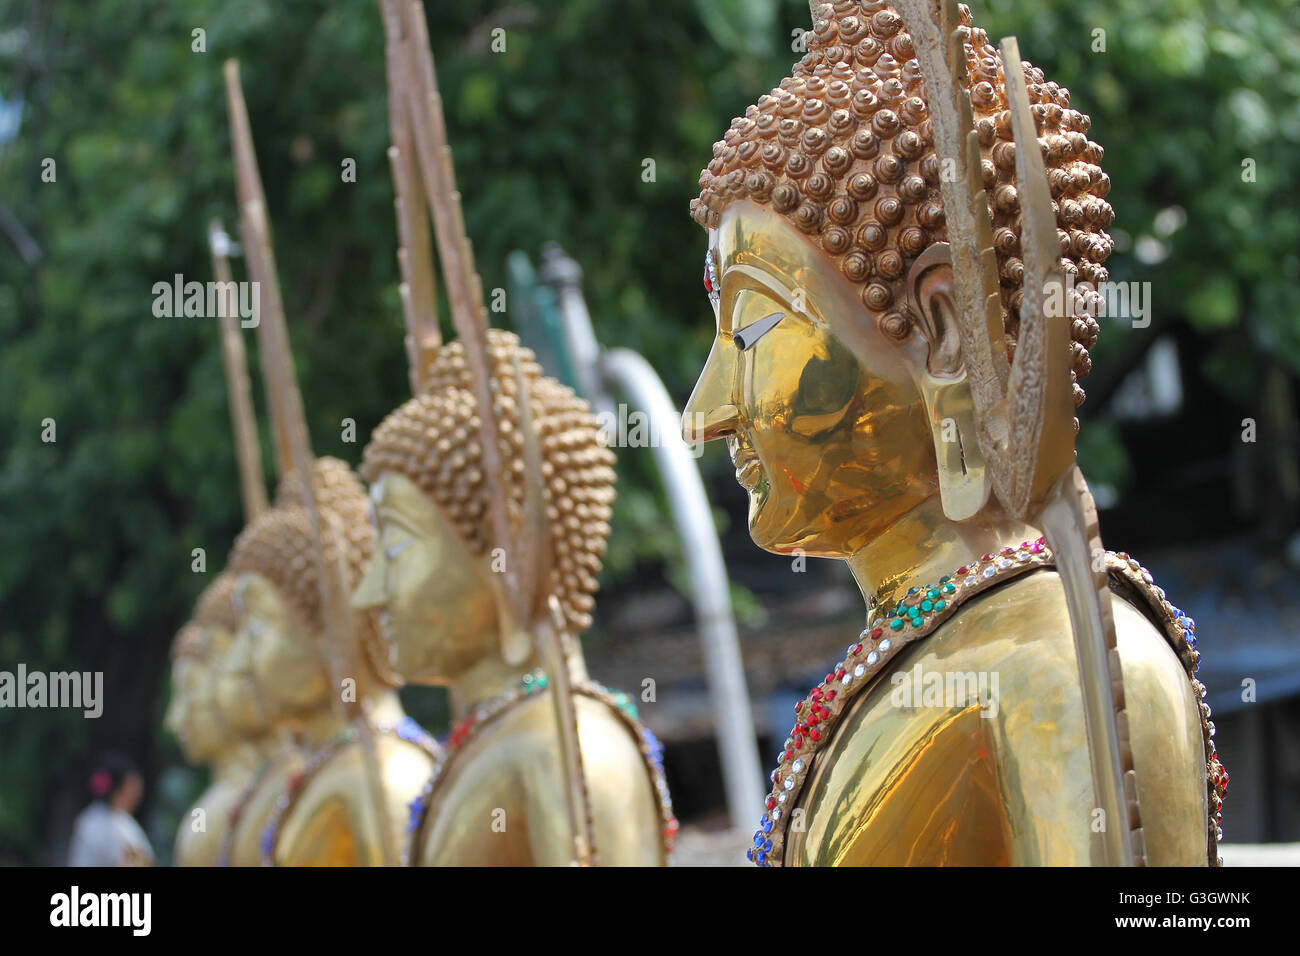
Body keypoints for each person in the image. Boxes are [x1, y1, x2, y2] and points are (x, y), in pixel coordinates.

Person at [67, 751, 155, 866]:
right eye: (133, 788)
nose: (138, 795)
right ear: (119, 788)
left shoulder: (123, 820)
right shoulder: (94, 823)